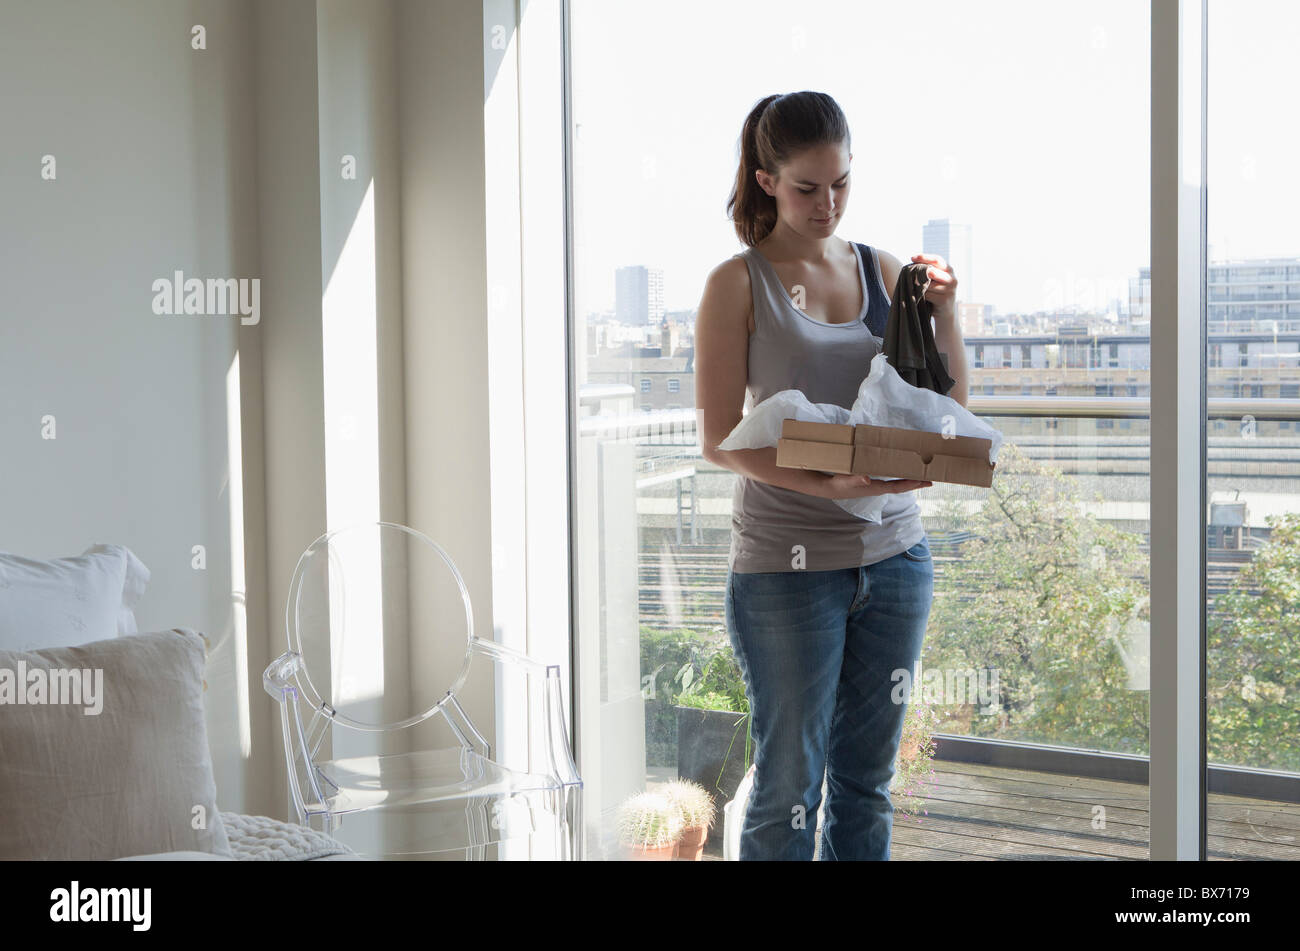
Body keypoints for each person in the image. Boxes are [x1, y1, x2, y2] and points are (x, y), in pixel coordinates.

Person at [694, 90, 967, 860]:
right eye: (808, 187)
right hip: (787, 571)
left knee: (867, 783)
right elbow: (719, 440)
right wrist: (826, 486)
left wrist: (947, 312)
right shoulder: (737, 284)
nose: (828, 204)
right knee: (788, 788)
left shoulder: (884, 272)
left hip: (896, 561)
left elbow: (945, 414)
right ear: (767, 178)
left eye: (841, 183)